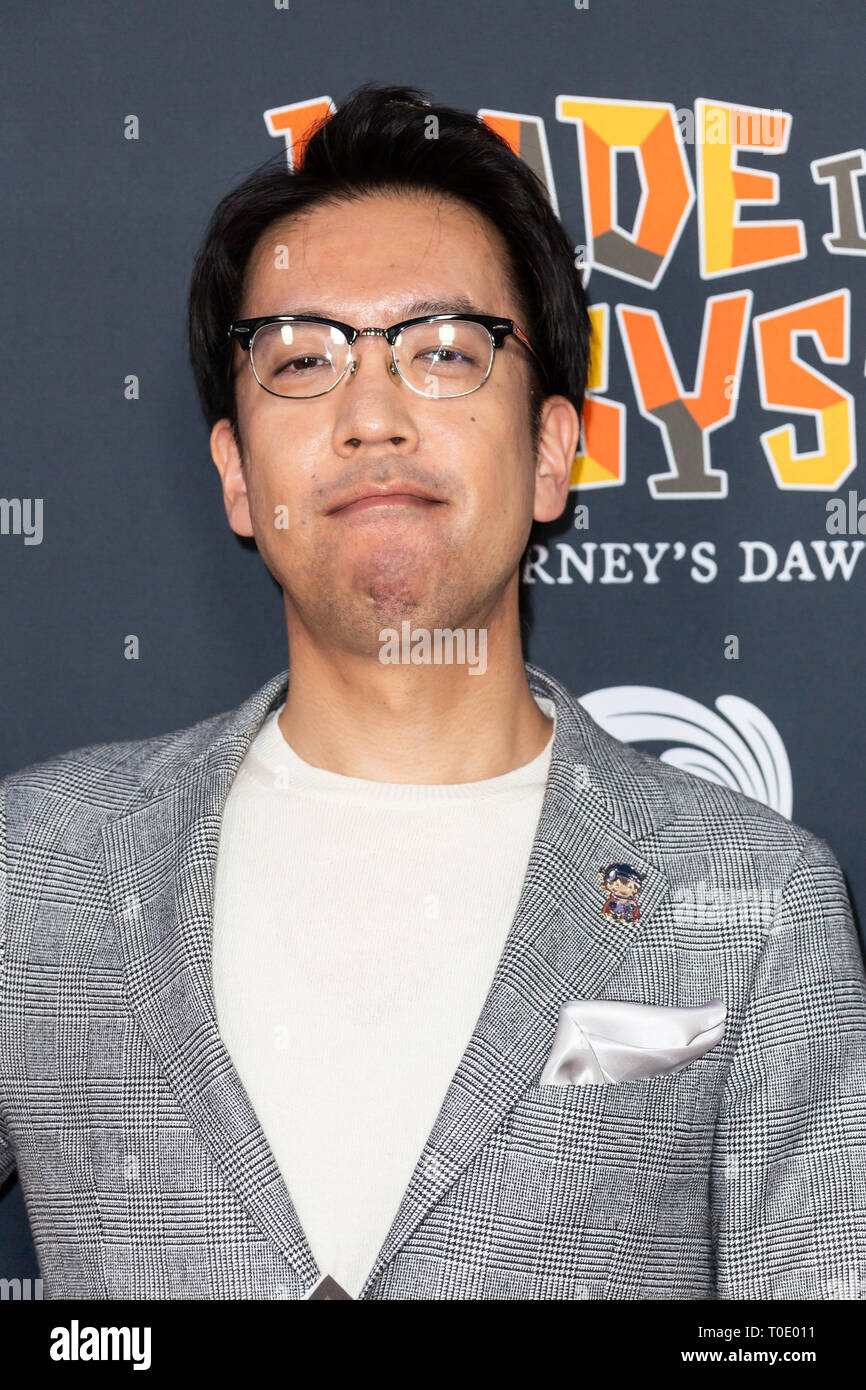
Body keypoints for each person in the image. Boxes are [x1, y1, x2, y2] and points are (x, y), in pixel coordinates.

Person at [1, 83, 865, 1302]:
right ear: (238, 477)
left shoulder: (756, 902)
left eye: (443, 351)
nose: (370, 414)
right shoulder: (39, 873)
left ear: (555, 450)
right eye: (300, 358)